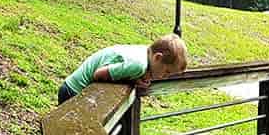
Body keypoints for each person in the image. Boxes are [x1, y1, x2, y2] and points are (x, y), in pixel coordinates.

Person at [57, 34, 188, 104]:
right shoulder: (139, 65)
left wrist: (135, 79)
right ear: (157, 58)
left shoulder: (143, 51)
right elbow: (99, 74)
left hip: (72, 89)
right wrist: (132, 81)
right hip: (73, 92)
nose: (165, 77)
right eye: (167, 72)